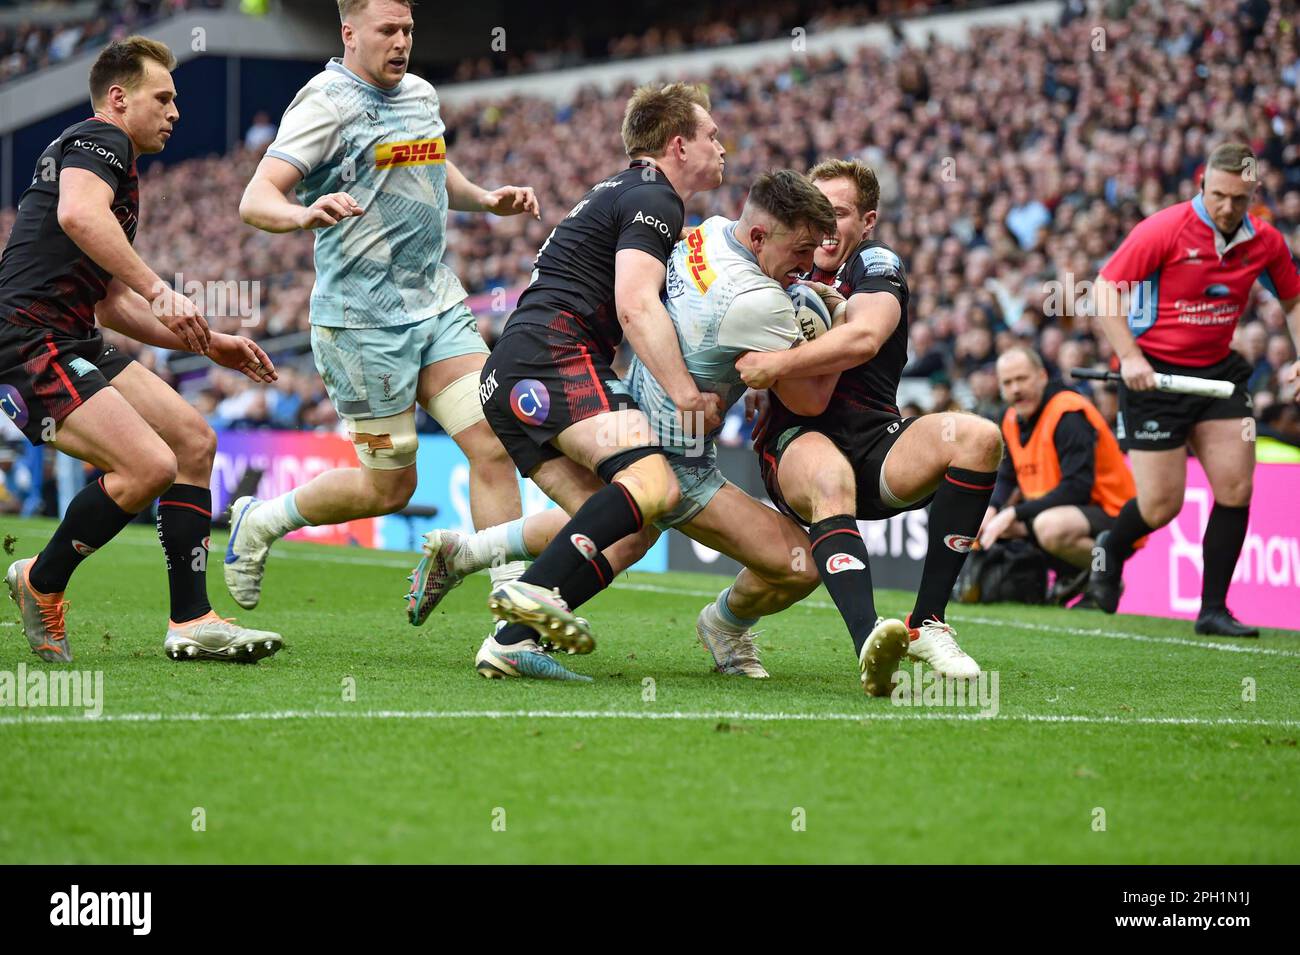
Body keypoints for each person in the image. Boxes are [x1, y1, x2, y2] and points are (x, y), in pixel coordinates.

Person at [416, 171, 845, 682]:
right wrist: (839, 329)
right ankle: (724, 626)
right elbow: (811, 398)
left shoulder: (707, 234)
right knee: (800, 564)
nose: (807, 265)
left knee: (618, 525)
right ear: (758, 237)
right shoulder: (762, 302)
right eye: (800, 251)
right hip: (680, 458)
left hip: (637, 409)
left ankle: (482, 578)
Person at [229, 0, 538, 621]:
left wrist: (483, 199)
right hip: (362, 324)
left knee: (496, 442)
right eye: (388, 31)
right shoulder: (324, 104)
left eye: (409, 31)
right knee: (390, 488)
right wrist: (301, 214)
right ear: (349, 33)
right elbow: (256, 198)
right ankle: (259, 522)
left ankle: (514, 608)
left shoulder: (420, 93)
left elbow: (427, 161)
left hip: (437, 305)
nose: (402, 43)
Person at [1, 37, 283, 663]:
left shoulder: (117, 173)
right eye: (164, 98)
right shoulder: (99, 140)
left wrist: (211, 345)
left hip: (74, 333)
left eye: (178, 100)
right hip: (27, 340)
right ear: (119, 99)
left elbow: (108, 303)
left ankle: (190, 620)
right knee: (146, 467)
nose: (176, 111)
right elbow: (78, 216)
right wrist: (160, 288)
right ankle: (40, 581)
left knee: (192, 441)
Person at [455, 82, 727, 678]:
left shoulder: (623, 191)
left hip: (510, 371)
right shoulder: (655, 197)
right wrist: (687, 395)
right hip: (552, 353)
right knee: (655, 482)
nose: (721, 144)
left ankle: (511, 640)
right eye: (711, 135)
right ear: (677, 146)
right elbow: (635, 305)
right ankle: (532, 589)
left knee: (632, 531)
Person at [737, 158, 1003, 690]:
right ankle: (868, 644)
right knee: (826, 486)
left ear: (868, 221)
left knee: (979, 437)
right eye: (817, 212)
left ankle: (927, 622)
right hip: (795, 444)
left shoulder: (877, 264)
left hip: (877, 441)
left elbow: (864, 338)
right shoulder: (780, 264)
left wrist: (777, 365)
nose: (827, 228)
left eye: (839, 214)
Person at [1088, 143, 1300, 636]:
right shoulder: (1164, 228)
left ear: (1253, 195)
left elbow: (1292, 299)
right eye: (1219, 194)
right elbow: (1104, 290)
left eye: (1239, 199)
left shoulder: (1265, 241)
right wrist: (1132, 356)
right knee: (1162, 506)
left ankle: (1212, 609)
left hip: (1218, 375)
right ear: (1202, 182)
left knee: (1236, 488)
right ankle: (1110, 548)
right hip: (1153, 376)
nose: (1227, 207)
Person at [978, 347, 1138, 602]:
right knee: (997, 526)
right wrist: (993, 510)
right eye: (1008, 383)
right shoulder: (1010, 418)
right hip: (1063, 511)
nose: (1016, 389)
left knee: (1047, 526)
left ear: (1041, 376)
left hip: (1113, 513)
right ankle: (1072, 576)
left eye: (1022, 378)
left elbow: (1077, 488)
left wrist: (1013, 513)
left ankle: (1107, 574)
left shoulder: (1068, 413)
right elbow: (1008, 476)